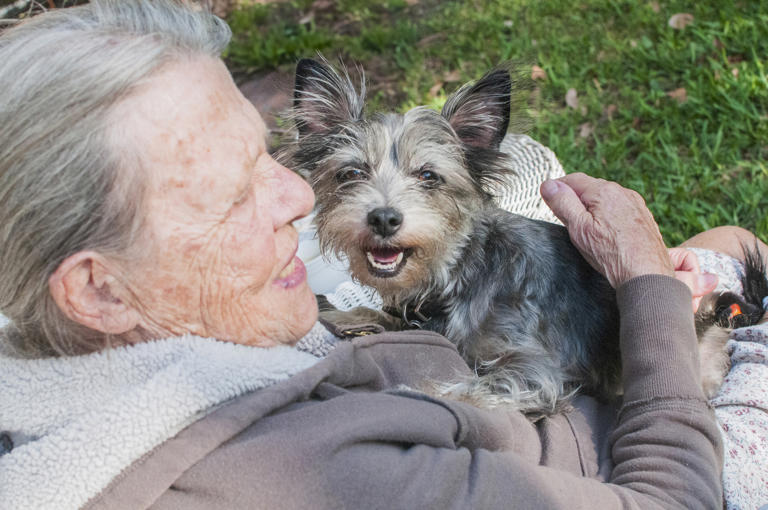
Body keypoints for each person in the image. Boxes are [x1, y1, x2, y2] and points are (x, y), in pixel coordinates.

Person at [0, 1, 739, 508]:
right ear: (98, 292)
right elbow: (677, 496)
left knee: (677, 233)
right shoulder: (319, 474)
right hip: (666, 437)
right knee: (733, 252)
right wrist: (645, 283)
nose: (296, 195)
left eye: (269, 158)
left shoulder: (76, 355)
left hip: (522, 344)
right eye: (233, 197)